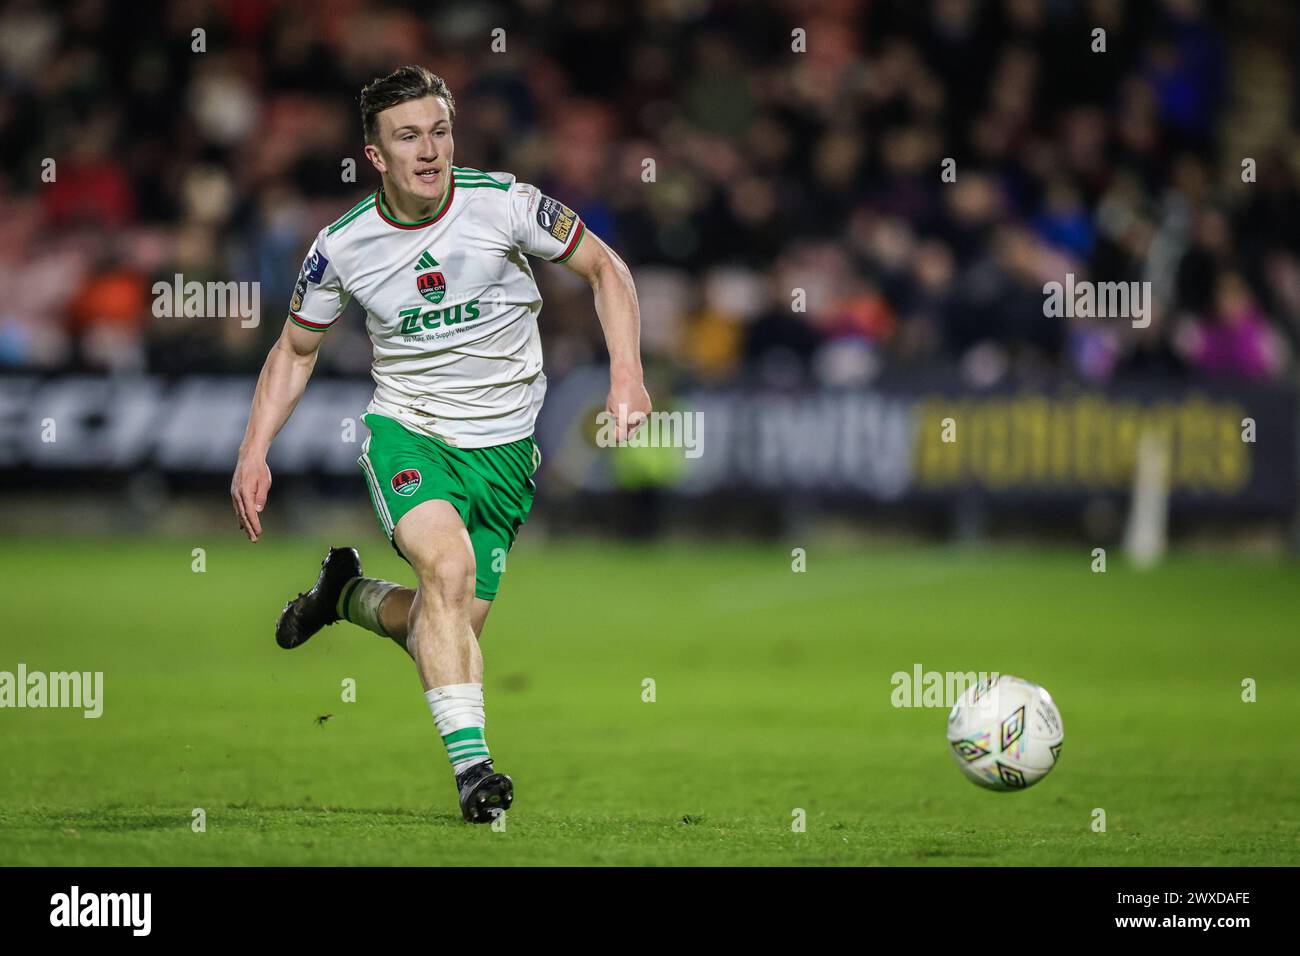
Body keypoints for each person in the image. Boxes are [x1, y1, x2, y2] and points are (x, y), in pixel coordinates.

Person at [230, 65, 650, 823]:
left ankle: (345, 595)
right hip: (410, 431)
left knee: (443, 624)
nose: (429, 151)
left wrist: (627, 374)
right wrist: (254, 449)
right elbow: (295, 351)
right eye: (408, 137)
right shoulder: (343, 246)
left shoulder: (506, 203)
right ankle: (474, 773)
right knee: (447, 572)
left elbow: (605, 269)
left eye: (440, 131)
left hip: (507, 454)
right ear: (377, 157)